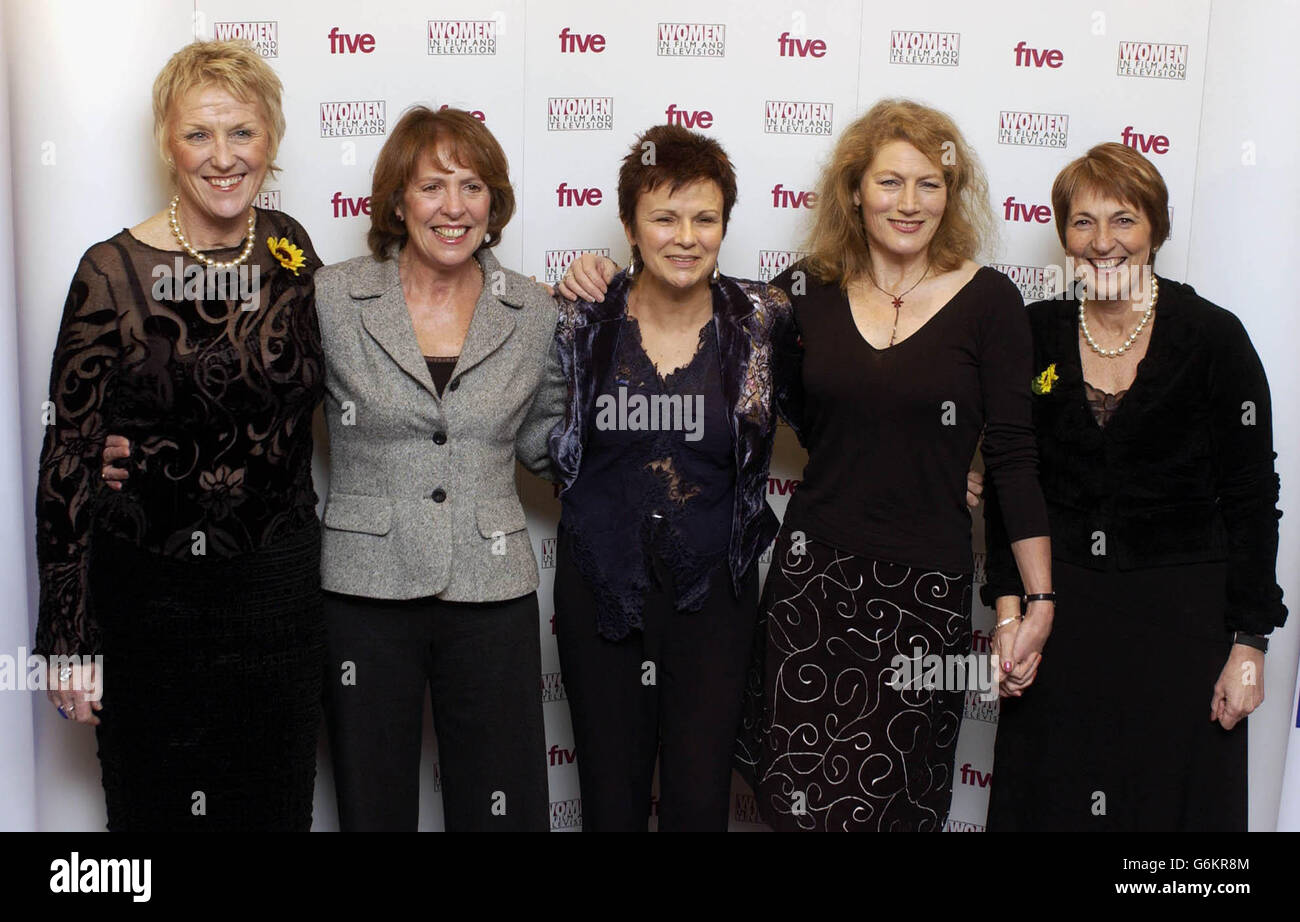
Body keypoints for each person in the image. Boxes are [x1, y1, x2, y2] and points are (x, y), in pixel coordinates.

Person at [38, 39, 324, 830]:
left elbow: (346, 372)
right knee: (155, 813)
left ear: (272, 138)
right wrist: (68, 636)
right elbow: (65, 458)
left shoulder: (289, 249)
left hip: (277, 594)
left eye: (243, 132)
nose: (224, 157)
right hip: (153, 601)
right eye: (200, 133)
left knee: (273, 811)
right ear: (167, 142)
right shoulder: (109, 271)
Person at [981, 142, 1286, 831]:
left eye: (1124, 219)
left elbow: (1251, 498)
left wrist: (1249, 644)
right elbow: (1011, 486)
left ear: (1155, 228)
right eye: (1083, 222)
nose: (1102, 241)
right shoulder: (1032, 334)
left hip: (1184, 626)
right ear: (1063, 232)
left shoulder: (1214, 338)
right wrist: (1009, 613)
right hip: (1060, 618)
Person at [311, 106, 562, 830]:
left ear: (494, 203)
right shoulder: (332, 297)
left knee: (504, 806)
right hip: (365, 590)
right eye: (432, 186)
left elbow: (549, 440)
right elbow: (267, 404)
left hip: (491, 587)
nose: (454, 207)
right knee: (373, 802)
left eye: (472, 186)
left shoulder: (535, 308)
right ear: (398, 201)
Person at [547, 124, 803, 830]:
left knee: (698, 800)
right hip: (601, 585)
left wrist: (933, 470)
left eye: (705, 218)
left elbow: (842, 413)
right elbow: (525, 427)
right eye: (664, 217)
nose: (685, 236)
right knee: (611, 797)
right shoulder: (578, 320)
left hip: (715, 596)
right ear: (630, 224)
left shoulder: (763, 320)